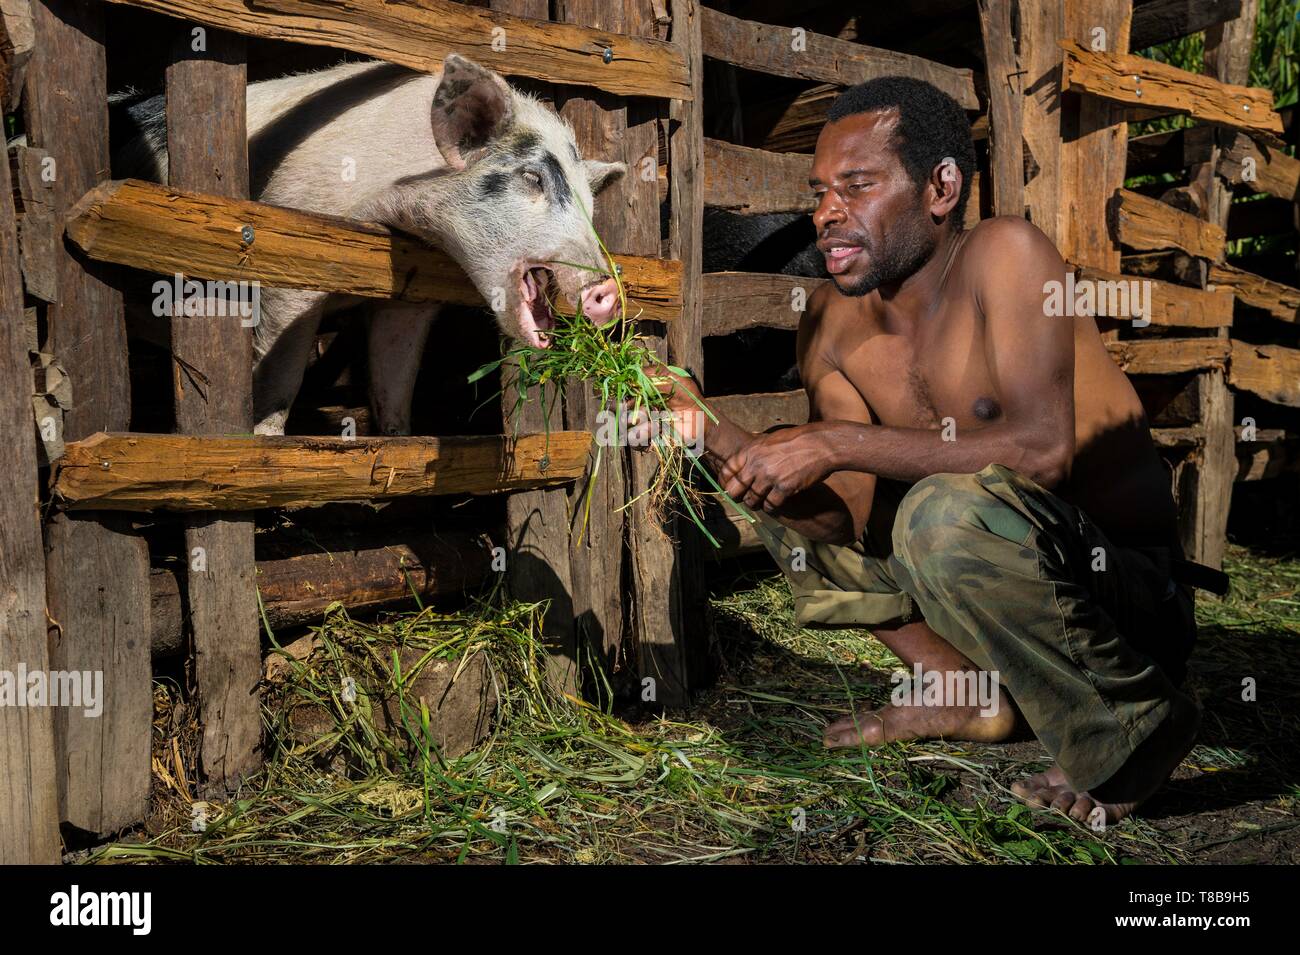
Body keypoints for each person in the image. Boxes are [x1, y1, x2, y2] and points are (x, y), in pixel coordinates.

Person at [633, 76, 1227, 828]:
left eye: (857, 185)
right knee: (792, 491)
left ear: (941, 186)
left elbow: (1041, 453)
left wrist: (832, 441)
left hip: (1124, 598)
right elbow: (841, 520)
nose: (825, 213)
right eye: (820, 192)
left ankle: (1130, 719)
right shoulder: (829, 319)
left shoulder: (1006, 255)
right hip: (988, 598)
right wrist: (718, 438)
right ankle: (961, 690)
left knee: (938, 514)